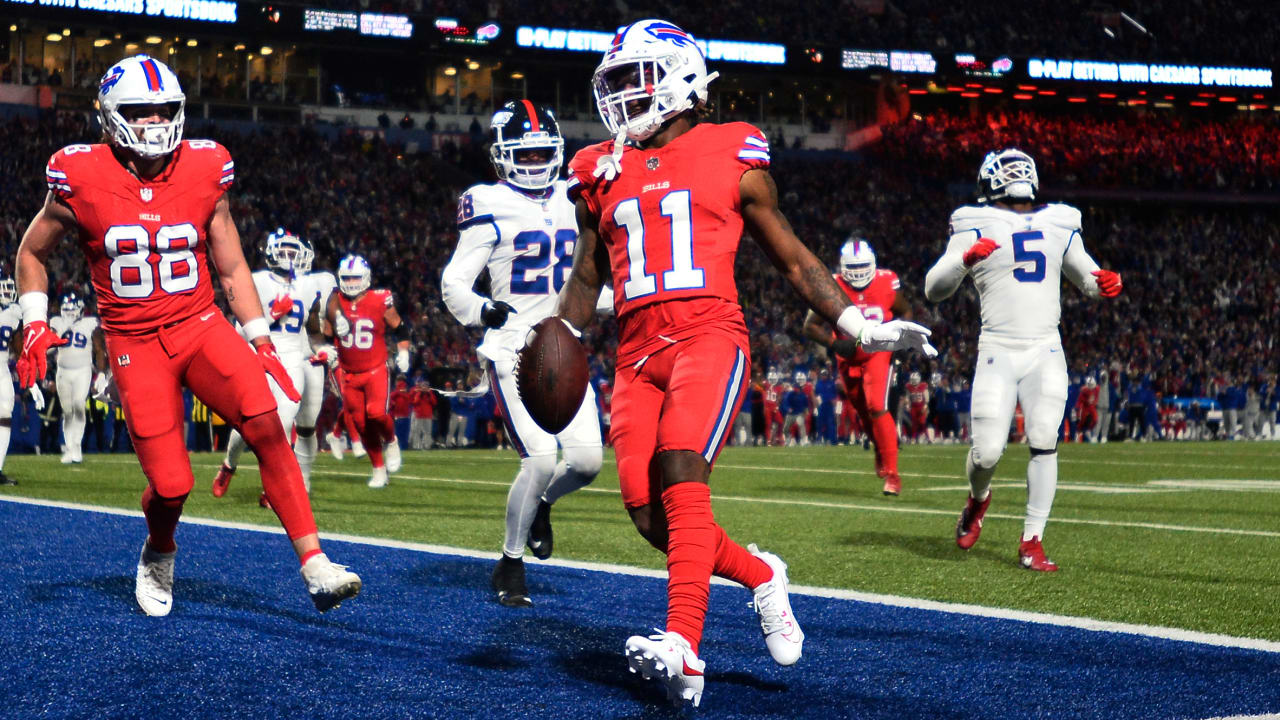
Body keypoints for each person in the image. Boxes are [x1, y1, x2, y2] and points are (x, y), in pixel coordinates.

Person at [555, 19, 935, 707]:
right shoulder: (597, 171)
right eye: (614, 84)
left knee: (681, 468)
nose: (619, 98)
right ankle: (761, 573)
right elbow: (586, 279)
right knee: (649, 518)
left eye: (633, 80)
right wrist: (550, 338)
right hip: (636, 352)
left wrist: (858, 326)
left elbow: (790, 256)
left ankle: (684, 649)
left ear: (682, 79)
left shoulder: (730, 148)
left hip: (709, 334)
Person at [16, 54, 361, 616]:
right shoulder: (78, 173)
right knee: (172, 485)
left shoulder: (206, 165)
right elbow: (32, 251)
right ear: (110, 116)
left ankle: (315, 562)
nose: (153, 122)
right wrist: (35, 321)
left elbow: (230, 266)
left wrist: (261, 338)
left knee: (268, 426)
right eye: (139, 111)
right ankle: (159, 548)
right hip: (133, 343)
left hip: (200, 326)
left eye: (163, 110)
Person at [441, 99, 607, 607]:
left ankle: (540, 509)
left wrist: (620, 301)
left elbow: (587, 278)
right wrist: (482, 310)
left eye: (541, 152)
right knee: (538, 459)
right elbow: (454, 282)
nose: (534, 163)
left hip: (564, 343)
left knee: (585, 462)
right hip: (514, 347)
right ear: (501, 156)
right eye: (524, 153)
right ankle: (510, 563)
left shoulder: (576, 193)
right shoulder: (487, 199)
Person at [924, 147, 1123, 572]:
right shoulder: (971, 222)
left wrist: (1105, 282)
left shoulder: (1061, 220)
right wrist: (963, 259)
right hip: (997, 348)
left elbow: (1086, 278)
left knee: (1044, 439)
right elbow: (933, 289)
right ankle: (979, 500)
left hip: (1045, 349)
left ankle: (1032, 540)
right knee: (988, 453)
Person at [212, 228, 336, 497]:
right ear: (271, 253)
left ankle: (275, 488)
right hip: (258, 354)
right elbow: (239, 331)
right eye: (284, 252)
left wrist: (325, 348)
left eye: (294, 252)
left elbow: (313, 330)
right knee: (249, 425)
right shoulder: (256, 281)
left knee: (282, 424)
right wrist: (271, 314)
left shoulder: (308, 286)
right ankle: (228, 465)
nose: (290, 257)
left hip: (292, 360)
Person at [803, 238, 911, 491]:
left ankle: (893, 475)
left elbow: (905, 311)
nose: (859, 271)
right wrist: (835, 345)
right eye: (854, 266)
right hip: (847, 355)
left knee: (876, 405)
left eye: (863, 265)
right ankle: (879, 449)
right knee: (863, 410)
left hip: (878, 352)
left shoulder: (886, 281)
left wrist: (900, 340)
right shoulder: (832, 285)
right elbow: (809, 326)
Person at [316, 253, 409, 488]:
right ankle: (378, 468)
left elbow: (399, 327)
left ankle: (391, 440)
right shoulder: (335, 300)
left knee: (377, 413)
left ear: (366, 277)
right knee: (360, 423)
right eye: (347, 278)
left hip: (375, 368)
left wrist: (404, 351)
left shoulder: (380, 299)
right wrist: (327, 349)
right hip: (348, 373)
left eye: (356, 277)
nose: (351, 282)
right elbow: (327, 333)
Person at [49, 291, 106, 463]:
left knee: (78, 405)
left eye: (72, 310)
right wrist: (57, 336)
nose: (69, 313)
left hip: (82, 370)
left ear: (81, 310)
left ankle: (77, 446)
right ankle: (69, 447)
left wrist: (102, 373)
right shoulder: (56, 322)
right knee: (67, 411)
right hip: (62, 371)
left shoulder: (90, 323)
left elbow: (99, 350)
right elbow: (48, 346)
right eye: (66, 309)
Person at [0, 275, 44, 484]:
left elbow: (20, 350)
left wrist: (31, 380)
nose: (7, 291)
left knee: (5, 415)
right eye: (3, 287)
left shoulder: (14, 313)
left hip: (1, 369)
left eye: (9, 287)